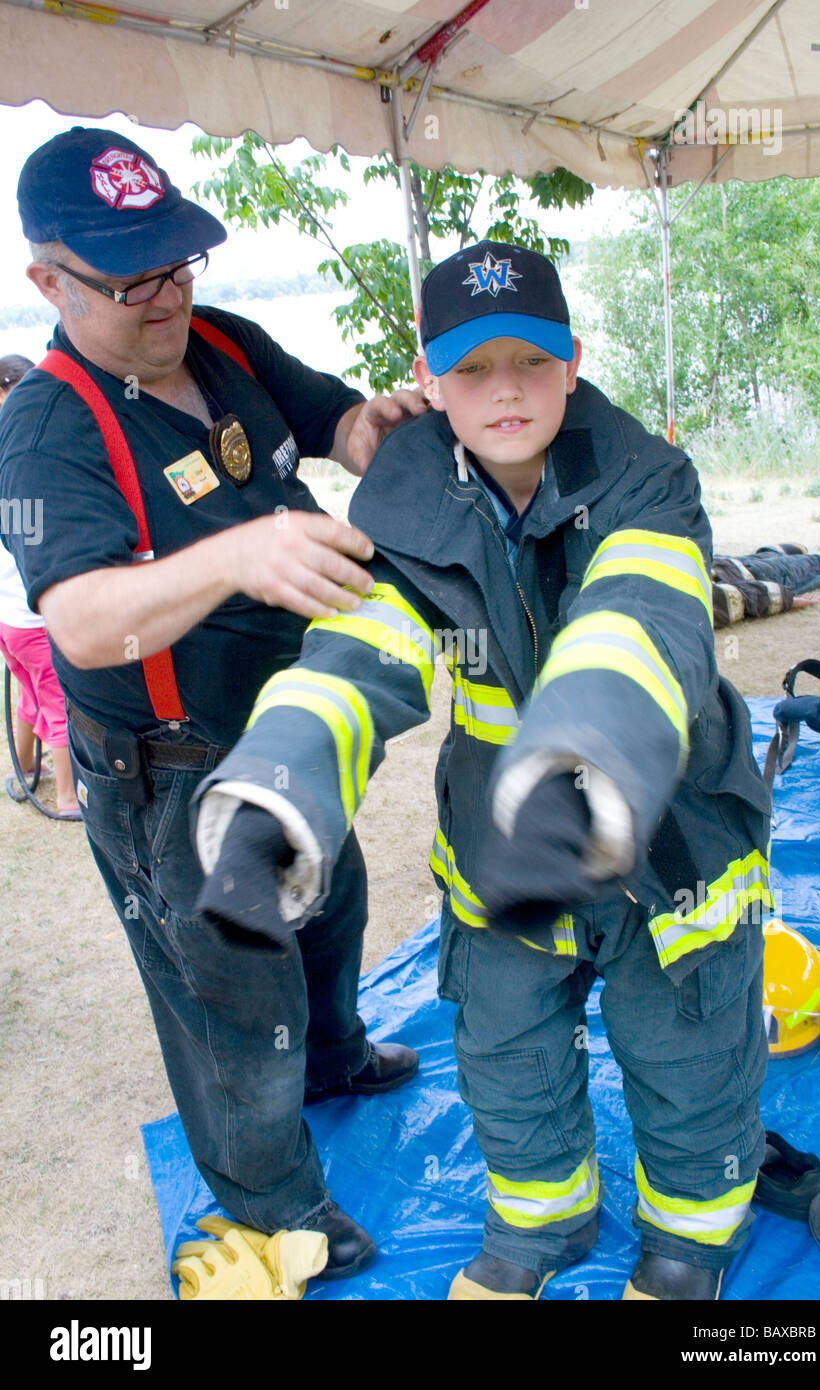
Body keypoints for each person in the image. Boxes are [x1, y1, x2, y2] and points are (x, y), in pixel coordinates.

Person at [190, 241, 773, 1300]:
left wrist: (579, 764)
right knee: (505, 1053)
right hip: (500, 848)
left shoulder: (645, 475)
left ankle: (690, 1245)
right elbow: (364, 650)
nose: (503, 388)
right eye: (470, 368)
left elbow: (635, 621)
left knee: (688, 1059)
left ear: (573, 362)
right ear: (426, 380)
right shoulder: (404, 495)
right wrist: (278, 787)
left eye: (529, 360)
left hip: (669, 838)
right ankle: (538, 1226)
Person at [0, 125, 428, 1282]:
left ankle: (334, 1055)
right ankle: (277, 1202)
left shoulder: (223, 341)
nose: (165, 297)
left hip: (288, 723)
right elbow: (83, 619)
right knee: (232, 986)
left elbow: (331, 422)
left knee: (330, 899)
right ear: (48, 279)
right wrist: (242, 554)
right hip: (169, 764)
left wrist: (375, 428)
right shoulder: (48, 425)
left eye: (178, 262)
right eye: (130, 278)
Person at [0, 354, 81, 816]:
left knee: (29, 699)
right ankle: (69, 799)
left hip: (9, 623)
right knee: (58, 710)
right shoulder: (22, 464)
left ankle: (26, 770)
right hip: (31, 623)